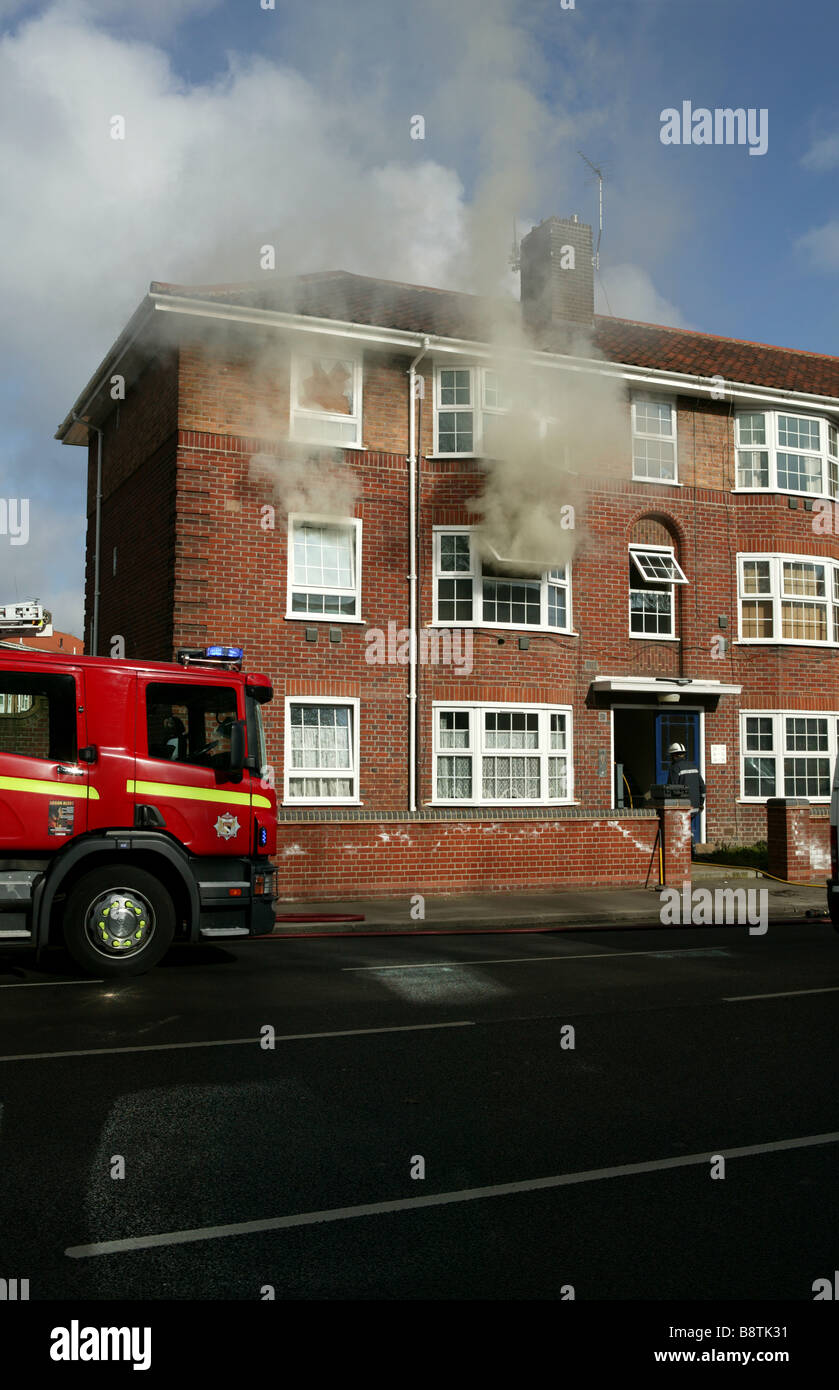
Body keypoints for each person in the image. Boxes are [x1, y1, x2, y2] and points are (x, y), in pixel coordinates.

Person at [666, 741, 705, 813]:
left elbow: (672, 789)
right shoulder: (693, 766)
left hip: (683, 809)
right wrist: (701, 803)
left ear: (674, 756)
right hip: (695, 808)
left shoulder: (675, 768)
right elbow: (702, 787)